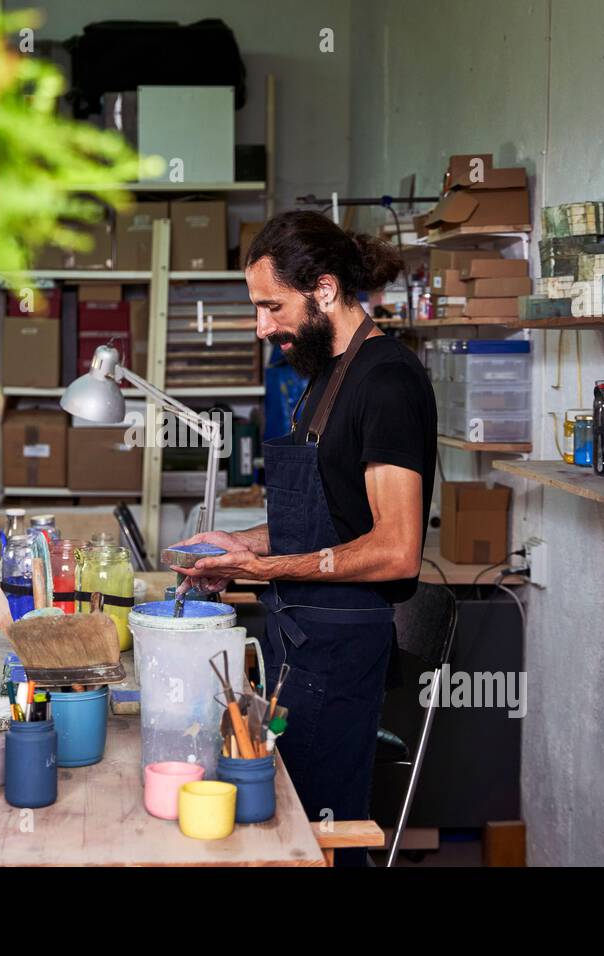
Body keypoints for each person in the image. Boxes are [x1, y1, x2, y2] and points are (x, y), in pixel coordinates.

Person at [169, 210, 436, 866]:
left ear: (323, 290)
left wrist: (265, 569)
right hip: (298, 639)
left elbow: (395, 548)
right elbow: (329, 520)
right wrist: (238, 549)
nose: (263, 327)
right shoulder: (325, 375)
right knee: (280, 820)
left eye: (271, 306)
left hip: (341, 653)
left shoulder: (387, 381)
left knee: (312, 835)